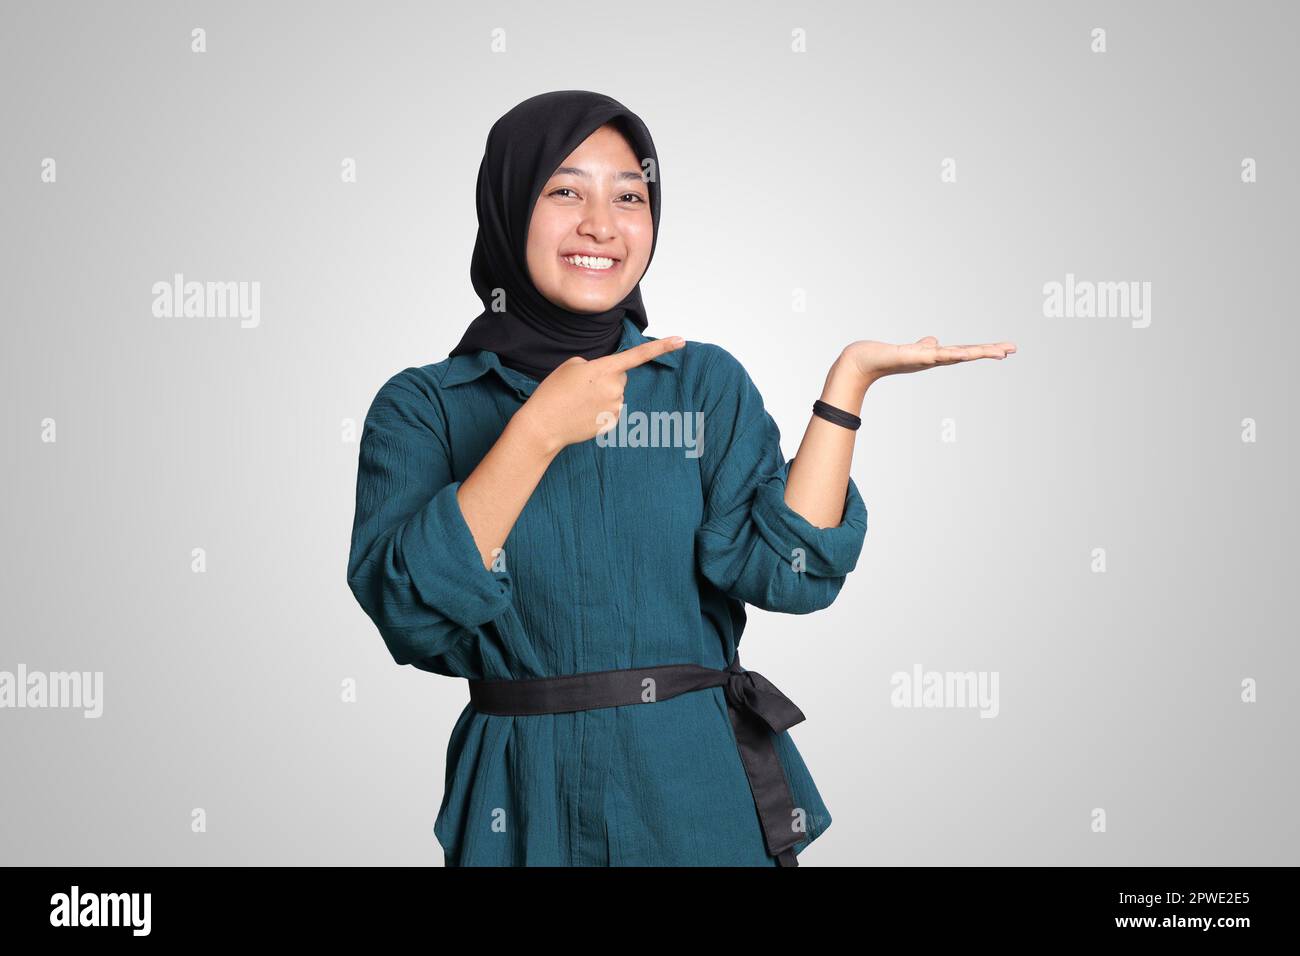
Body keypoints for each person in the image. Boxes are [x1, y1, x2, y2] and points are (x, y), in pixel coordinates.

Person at [346, 90, 1016, 866]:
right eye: (565, 191)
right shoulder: (423, 405)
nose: (602, 224)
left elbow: (787, 574)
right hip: (523, 801)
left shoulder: (700, 382)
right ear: (505, 207)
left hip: (698, 793)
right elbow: (406, 611)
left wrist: (848, 387)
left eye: (630, 197)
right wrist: (532, 434)